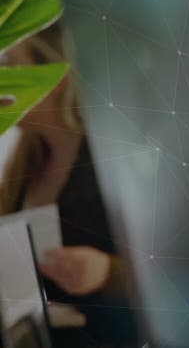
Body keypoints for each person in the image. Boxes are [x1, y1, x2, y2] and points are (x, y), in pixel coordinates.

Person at [0, 22, 138, 346]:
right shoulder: (26, 160)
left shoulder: (114, 159)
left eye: (9, 65)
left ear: (58, 76)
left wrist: (106, 270)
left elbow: (183, 265)